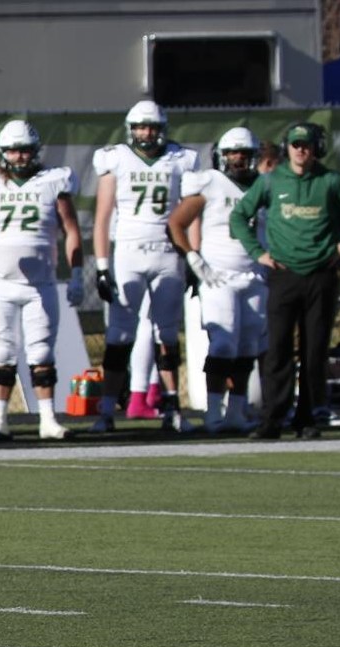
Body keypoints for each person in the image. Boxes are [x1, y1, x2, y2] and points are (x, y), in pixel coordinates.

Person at [230, 122, 340, 440]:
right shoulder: (271, 181)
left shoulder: (330, 181)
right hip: (284, 274)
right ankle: (272, 418)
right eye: (296, 145)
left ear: (316, 149)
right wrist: (258, 252)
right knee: (278, 348)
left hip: (321, 274)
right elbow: (239, 216)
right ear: (288, 149)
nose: (301, 150)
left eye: (306, 145)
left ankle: (308, 416)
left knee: (314, 349)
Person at [92, 100, 201, 433]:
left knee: (167, 333)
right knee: (120, 334)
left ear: (161, 129)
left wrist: (193, 255)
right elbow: (103, 217)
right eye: (140, 127)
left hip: (168, 252)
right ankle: (107, 409)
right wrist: (100, 265)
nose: (146, 133)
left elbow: (191, 211)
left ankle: (172, 407)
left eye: (151, 127)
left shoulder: (182, 159)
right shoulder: (116, 159)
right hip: (128, 252)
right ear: (131, 129)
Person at [0, 120, 82, 440]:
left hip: (41, 284)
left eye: (25, 150)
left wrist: (77, 273)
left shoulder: (54, 181)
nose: (20, 156)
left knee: (41, 352)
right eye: (14, 150)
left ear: (36, 151)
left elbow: (72, 231)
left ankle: (47, 418)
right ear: (3, 152)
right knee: (3, 352)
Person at [168, 127, 268, 434]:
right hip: (217, 275)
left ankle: (236, 411)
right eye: (233, 153)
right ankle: (213, 413)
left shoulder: (266, 186)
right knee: (223, 343)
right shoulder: (210, 182)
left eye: (244, 154)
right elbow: (176, 223)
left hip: (255, 274)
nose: (239, 159)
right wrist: (193, 257)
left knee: (248, 345)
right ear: (222, 156)